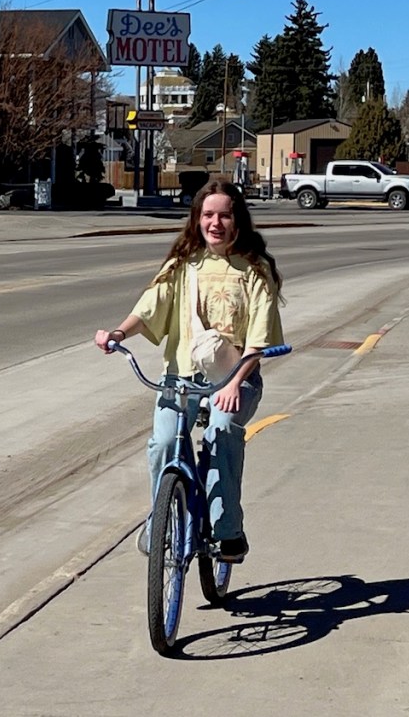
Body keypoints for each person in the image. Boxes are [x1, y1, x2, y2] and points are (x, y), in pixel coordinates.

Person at [94, 180, 284, 563]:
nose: (216, 223)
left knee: (221, 430)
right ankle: (159, 520)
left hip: (236, 379)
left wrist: (234, 382)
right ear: (197, 219)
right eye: (208, 215)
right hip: (180, 378)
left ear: (238, 220)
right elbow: (150, 307)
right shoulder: (183, 265)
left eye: (225, 215)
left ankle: (228, 530)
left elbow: (258, 341)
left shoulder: (255, 270)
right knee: (164, 442)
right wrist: (117, 332)